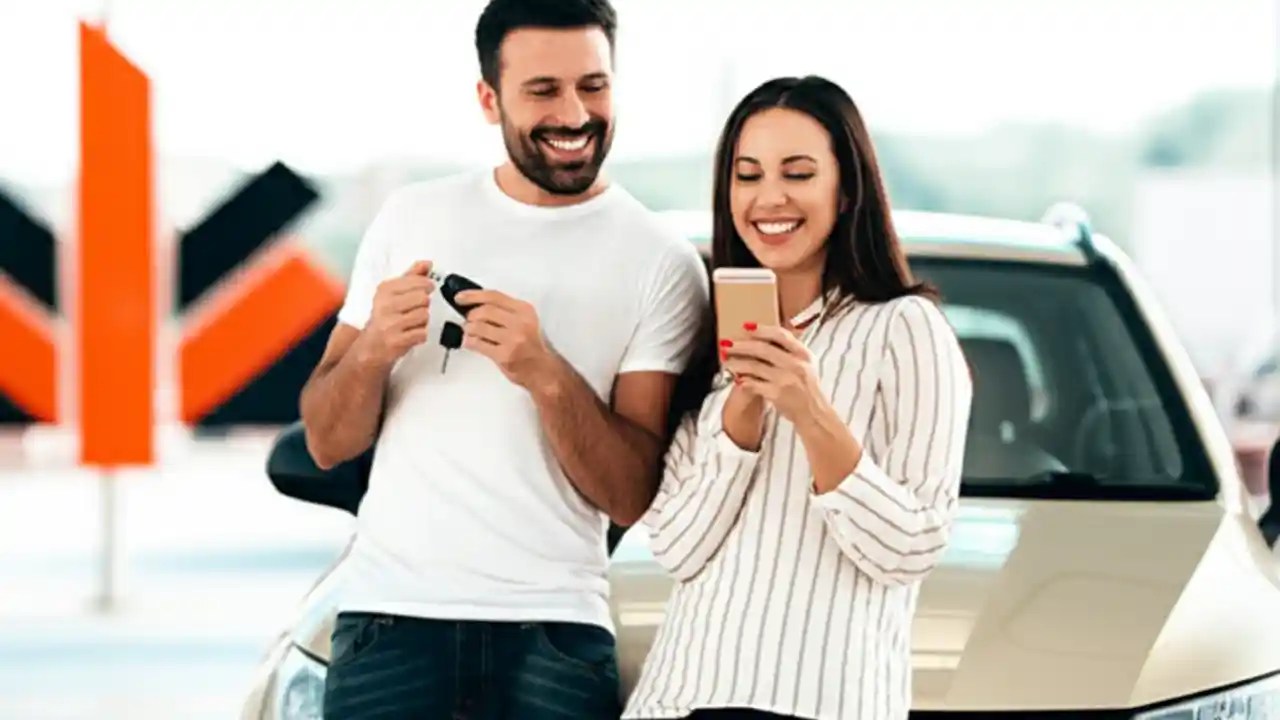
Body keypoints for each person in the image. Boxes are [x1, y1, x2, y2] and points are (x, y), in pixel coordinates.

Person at [298, 0, 708, 717]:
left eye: (594, 85)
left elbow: (630, 493)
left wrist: (545, 372)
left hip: (554, 635)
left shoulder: (661, 261)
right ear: (490, 100)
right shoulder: (410, 219)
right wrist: (370, 354)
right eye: (544, 91)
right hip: (388, 625)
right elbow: (328, 442)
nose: (575, 114)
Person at [622, 76, 974, 720]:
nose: (769, 197)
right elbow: (677, 547)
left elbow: (911, 547)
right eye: (747, 175)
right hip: (679, 703)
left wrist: (810, 411)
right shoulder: (711, 342)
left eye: (799, 172)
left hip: (823, 705)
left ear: (846, 192)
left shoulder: (903, 328)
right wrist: (743, 413)